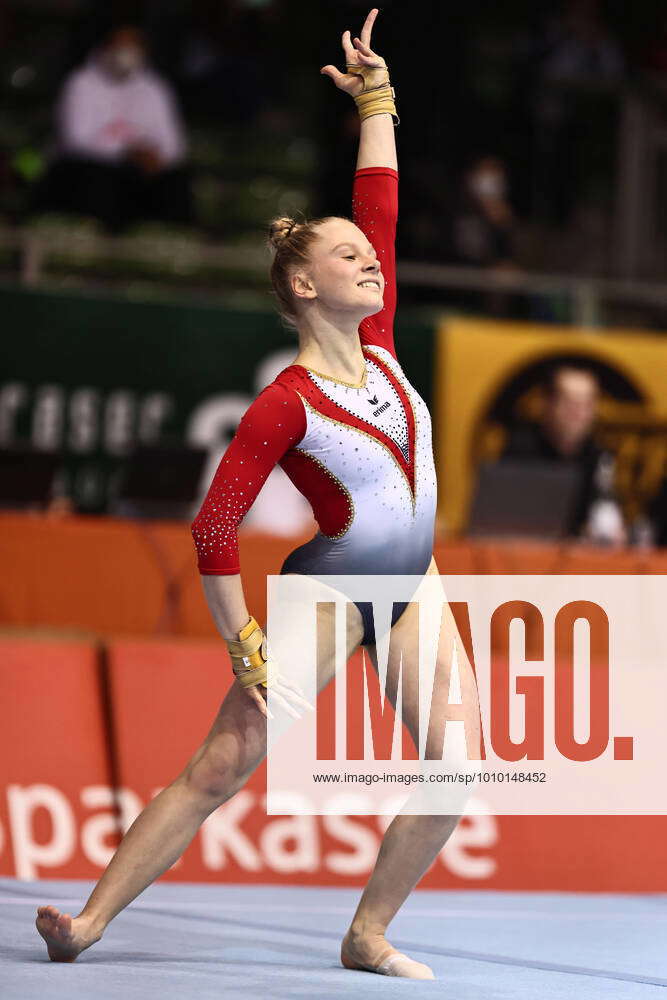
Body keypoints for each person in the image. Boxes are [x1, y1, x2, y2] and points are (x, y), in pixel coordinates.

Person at [35, 10, 480, 980]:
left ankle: (366, 932)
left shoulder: (386, 342)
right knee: (222, 764)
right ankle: (91, 920)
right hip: (324, 597)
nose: (368, 258)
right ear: (303, 287)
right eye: (346, 256)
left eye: (368, 255)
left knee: (455, 768)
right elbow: (213, 526)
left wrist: (374, 98)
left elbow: (382, 201)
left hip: (413, 587)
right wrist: (243, 644)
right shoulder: (285, 403)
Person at [33, 25, 191, 232]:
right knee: (98, 182)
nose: (125, 53)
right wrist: (126, 152)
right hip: (91, 170)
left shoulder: (156, 88)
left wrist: (152, 156)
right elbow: (75, 139)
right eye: (119, 45)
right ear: (104, 47)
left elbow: (175, 146)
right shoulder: (80, 83)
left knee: (176, 185)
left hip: (141, 171)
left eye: (132, 46)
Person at [502, 363, 626, 543]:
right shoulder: (519, 451)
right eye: (570, 403)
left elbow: (608, 518)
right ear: (549, 404)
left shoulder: (599, 456)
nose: (578, 413)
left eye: (587, 404)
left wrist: (611, 532)